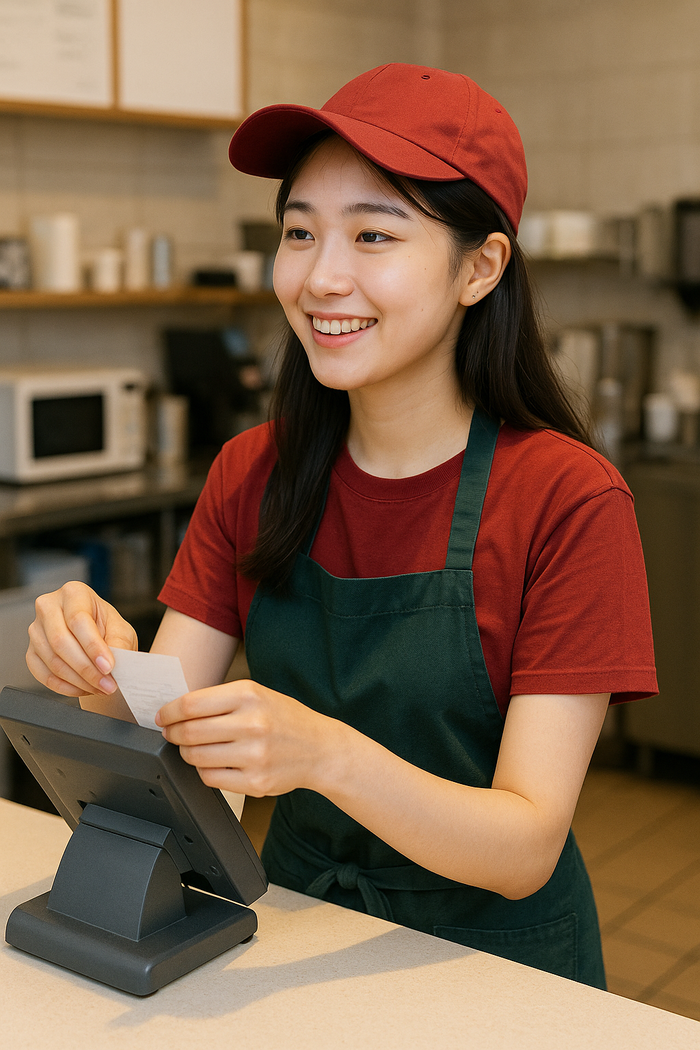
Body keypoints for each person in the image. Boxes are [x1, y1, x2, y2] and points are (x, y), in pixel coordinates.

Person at [26, 63, 657, 988]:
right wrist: (90, 670)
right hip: (293, 929)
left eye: (373, 233)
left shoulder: (569, 500)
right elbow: (158, 724)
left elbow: (525, 844)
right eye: (298, 232)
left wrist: (323, 753)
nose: (322, 277)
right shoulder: (253, 470)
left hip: (504, 969)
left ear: (480, 267)